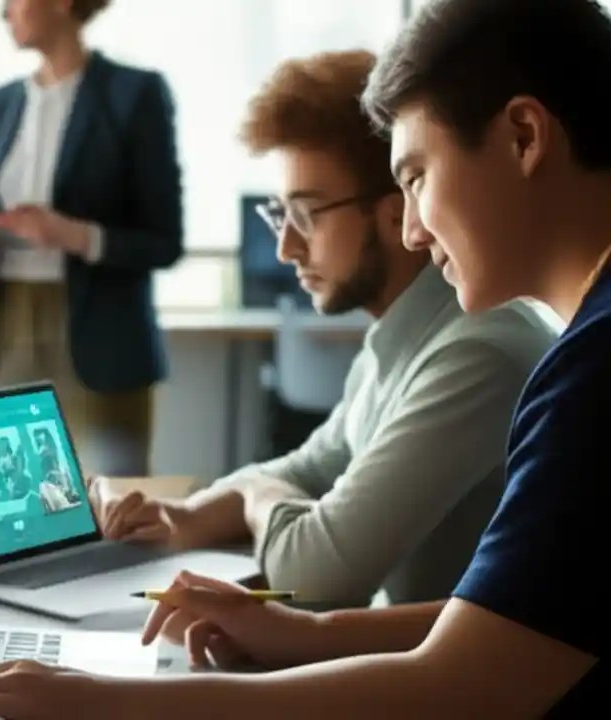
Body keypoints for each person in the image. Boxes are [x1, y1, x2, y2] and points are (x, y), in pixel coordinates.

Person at [0, 0, 608, 716]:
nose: (411, 230)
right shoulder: (573, 345)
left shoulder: (584, 368)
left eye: (417, 177)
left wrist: (103, 704)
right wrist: (306, 632)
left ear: (525, 137)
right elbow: (512, 628)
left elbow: (467, 682)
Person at [87, 49, 555, 608]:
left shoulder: (476, 355)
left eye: (307, 213)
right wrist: (184, 516)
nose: (286, 247)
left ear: (397, 207)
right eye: (280, 216)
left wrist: (257, 495)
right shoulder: (398, 342)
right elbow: (306, 469)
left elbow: (315, 576)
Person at [0, 0, 184, 478]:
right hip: (7, 330)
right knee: (10, 507)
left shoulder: (134, 95)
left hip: (103, 337)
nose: (3, 12)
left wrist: (73, 235)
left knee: (117, 512)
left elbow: (164, 241)